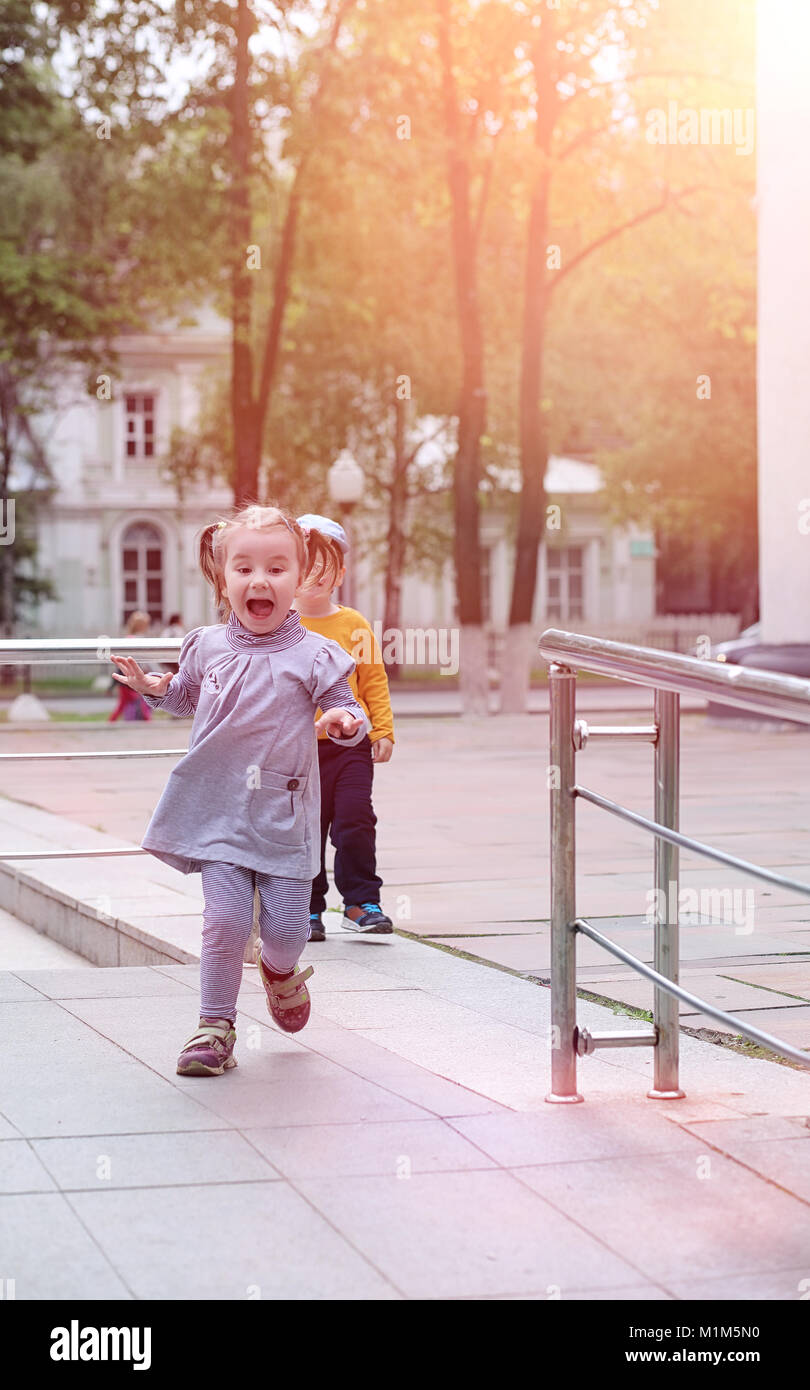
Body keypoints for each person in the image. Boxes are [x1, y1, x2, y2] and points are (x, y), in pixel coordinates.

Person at [109, 504, 366, 1077]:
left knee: (287, 931)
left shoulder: (316, 654)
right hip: (221, 811)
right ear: (223, 579)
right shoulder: (205, 645)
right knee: (223, 921)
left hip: (284, 816)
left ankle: (278, 971)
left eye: (276, 569)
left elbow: (347, 708)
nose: (260, 580)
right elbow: (186, 697)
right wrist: (155, 687)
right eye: (244, 568)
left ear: (298, 578)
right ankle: (213, 1028)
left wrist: (348, 725)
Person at [295, 512, 395, 940]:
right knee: (307, 828)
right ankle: (307, 908)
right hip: (299, 749)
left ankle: (359, 902)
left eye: (325, 566)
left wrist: (383, 730)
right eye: (306, 565)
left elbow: (373, 679)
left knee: (355, 819)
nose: (315, 575)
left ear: (340, 573)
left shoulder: (353, 625)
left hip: (351, 745)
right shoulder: (282, 625)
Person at [108, 612, 153, 722]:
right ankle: (147, 720)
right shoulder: (139, 640)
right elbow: (145, 660)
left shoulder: (127, 639)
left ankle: (111, 721)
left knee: (125, 703)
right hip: (133, 677)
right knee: (141, 700)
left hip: (125, 677)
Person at [159, 612, 184, 676]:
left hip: (165, 657)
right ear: (178, 620)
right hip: (175, 657)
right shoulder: (178, 630)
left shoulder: (166, 630)